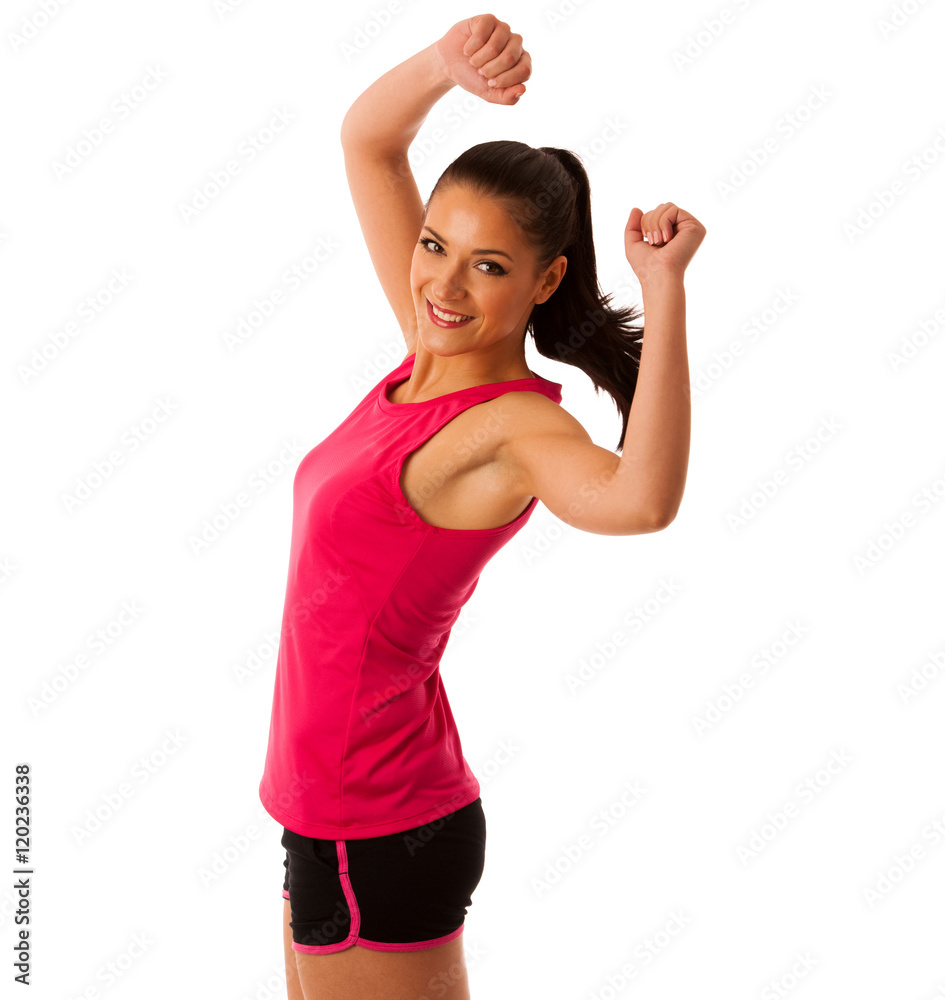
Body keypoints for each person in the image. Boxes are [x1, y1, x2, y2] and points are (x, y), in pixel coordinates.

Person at [258, 13, 706, 1000]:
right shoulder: (425, 360)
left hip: (383, 820)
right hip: (329, 810)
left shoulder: (508, 428)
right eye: (434, 245)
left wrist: (663, 291)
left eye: (489, 266)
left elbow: (638, 502)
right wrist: (443, 66)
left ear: (545, 281)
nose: (444, 284)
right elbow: (368, 140)